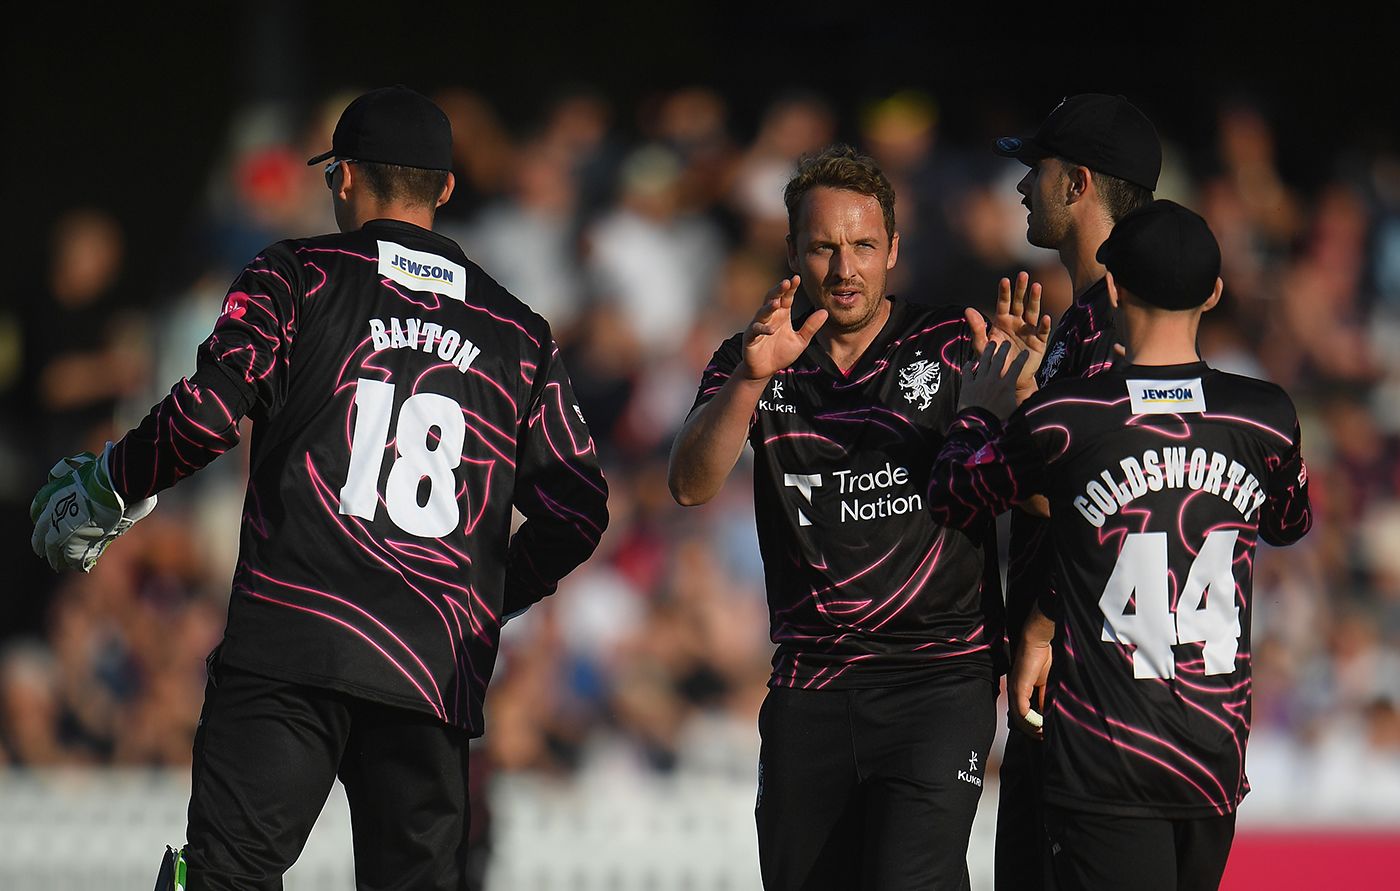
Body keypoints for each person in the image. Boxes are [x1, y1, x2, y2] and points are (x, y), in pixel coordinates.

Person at [30, 85, 609, 890]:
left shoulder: (293, 274)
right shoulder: (520, 332)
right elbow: (579, 507)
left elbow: (204, 418)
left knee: (224, 879)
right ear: (444, 188)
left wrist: (108, 482)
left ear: (341, 178)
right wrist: (492, 593)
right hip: (429, 660)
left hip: (290, 643)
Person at [668, 143, 1045, 890]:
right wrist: (749, 378)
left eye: (864, 246)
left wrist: (1020, 401)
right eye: (824, 247)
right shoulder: (759, 355)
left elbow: (1040, 498)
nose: (845, 269)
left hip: (939, 676)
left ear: (894, 250)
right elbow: (689, 484)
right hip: (810, 685)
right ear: (792, 252)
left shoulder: (952, 349)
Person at [926, 200, 1312, 890]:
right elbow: (1288, 522)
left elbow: (954, 491)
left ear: (1112, 290)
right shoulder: (1266, 415)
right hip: (1211, 755)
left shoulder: (1070, 413)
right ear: (1215, 294)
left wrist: (981, 407)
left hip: (1106, 760)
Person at [988, 92, 1162, 891]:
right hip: (1065, 674)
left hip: (1078, 678)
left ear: (1079, 183)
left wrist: (995, 427)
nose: (1024, 187)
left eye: (1039, 170)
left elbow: (1095, 501)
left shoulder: (1117, 324)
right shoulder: (1087, 321)